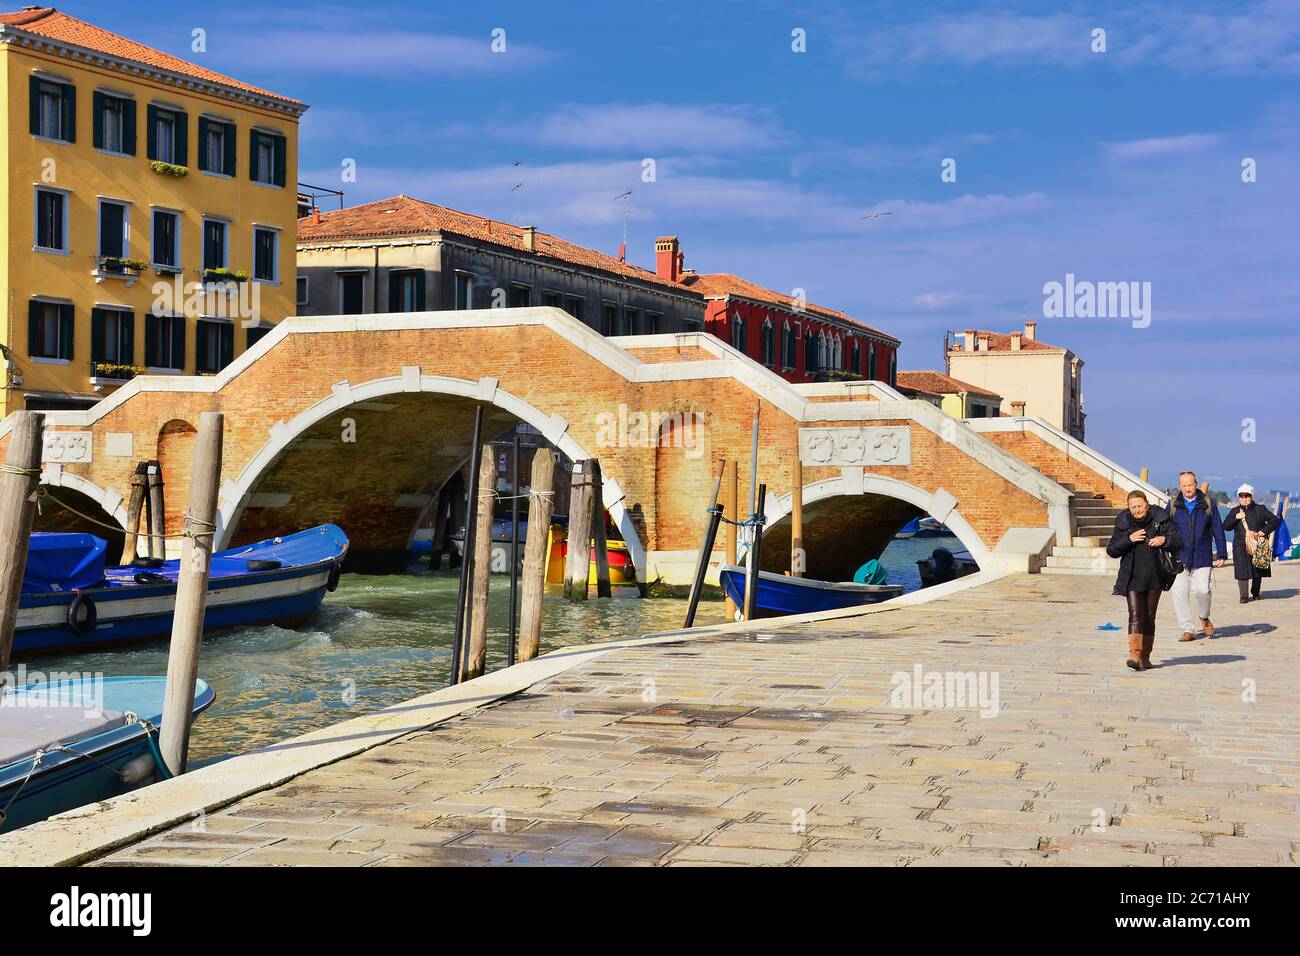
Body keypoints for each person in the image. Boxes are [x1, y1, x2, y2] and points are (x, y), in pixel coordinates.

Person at [1107, 490, 1181, 671]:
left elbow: (1178, 541)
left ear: (1147, 505)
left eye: (1140, 506)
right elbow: (1112, 550)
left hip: (1155, 576)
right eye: (1133, 507)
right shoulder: (1123, 522)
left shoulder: (1160, 518)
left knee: (1149, 616)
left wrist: (1164, 540)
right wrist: (1128, 539)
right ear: (1128, 508)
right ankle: (1134, 654)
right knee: (1135, 615)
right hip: (1132, 577)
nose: (1137, 510)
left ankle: (1145, 657)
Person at [1167, 471, 1228, 642]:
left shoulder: (1208, 503)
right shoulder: (1173, 505)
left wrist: (1222, 553)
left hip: (1202, 555)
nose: (1187, 489)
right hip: (1179, 556)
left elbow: (1218, 529)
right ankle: (1188, 629)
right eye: (1184, 485)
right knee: (1179, 593)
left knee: (1203, 590)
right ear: (1180, 486)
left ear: (1196, 484)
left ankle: (1204, 616)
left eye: (1190, 485)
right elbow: (1166, 529)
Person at [1222, 484, 1280, 602]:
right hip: (1240, 546)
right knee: (1241, 570)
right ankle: (1243, 595)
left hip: (1258, 544)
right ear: (1239, 497)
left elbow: (1274, 520)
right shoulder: (1234, 511)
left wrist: (1263, 532)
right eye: (1241, 496)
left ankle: (1256, 592)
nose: (1244, 498)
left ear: (1251, 496)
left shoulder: (1261, 509)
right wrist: (1236, 517)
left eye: (1247, 496)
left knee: (1257, 569)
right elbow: (1225, 526)